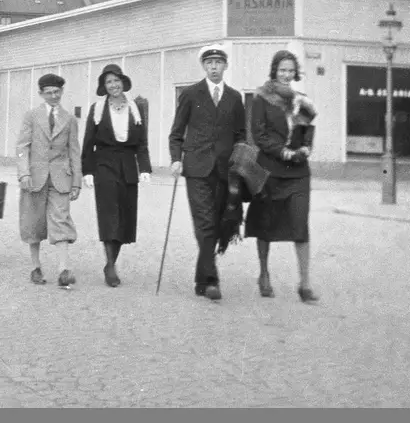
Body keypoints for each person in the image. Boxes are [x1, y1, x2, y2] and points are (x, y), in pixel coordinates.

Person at [167, 44, 247, 301]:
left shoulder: (235, 98)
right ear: (204, 66)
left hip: (224, 171)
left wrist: (240, 160)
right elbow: (176, 132)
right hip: (197, 168)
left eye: (218, 63)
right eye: (209, 63)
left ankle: (201, 277)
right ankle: (211, 279)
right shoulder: (191, 94)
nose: (213, 67)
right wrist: (175, 159)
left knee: (217, 222)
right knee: (205, 222)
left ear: (225, 66)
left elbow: (240, 135)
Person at [246, 50, 319, 303]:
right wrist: (285, 153)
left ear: (295, 72)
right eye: (282, 70)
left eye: (290, 70)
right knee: (265, 224)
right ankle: (264, 273)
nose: (286, 75)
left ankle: (305, 283)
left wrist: (306, 149)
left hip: (299, 174)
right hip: (270, 171)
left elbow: (308, 131)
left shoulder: (302, 100)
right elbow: (259, 135)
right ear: (274, 70)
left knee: (300, 225)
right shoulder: (261, 98)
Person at [81, 64, 151, 288]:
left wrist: (146, 168)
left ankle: (111, 261)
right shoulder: (97, 108)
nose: (113, 85)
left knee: (125, 217)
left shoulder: (135, 108)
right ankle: (110, 265)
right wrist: (88, 170)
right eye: (109, 82)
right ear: (104, 86)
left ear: (123, 82)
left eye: (116, 80)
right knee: (109, 215)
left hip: (129, 166)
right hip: (104, 165)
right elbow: (88, 143)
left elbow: (142, 143)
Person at [17, 73, 82, 288]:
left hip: (61, 178)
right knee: (33, 222)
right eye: (49, 92)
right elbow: (22, 146)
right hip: (34, 177)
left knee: (61, 219)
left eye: (57, 92)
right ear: (41, 94)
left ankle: (64, 269)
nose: (54, 96)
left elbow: (74, 151)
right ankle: (35, 267)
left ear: (62, 92)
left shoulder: (69, 119)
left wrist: (76, 181)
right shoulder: (31, 116)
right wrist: (24, 173)